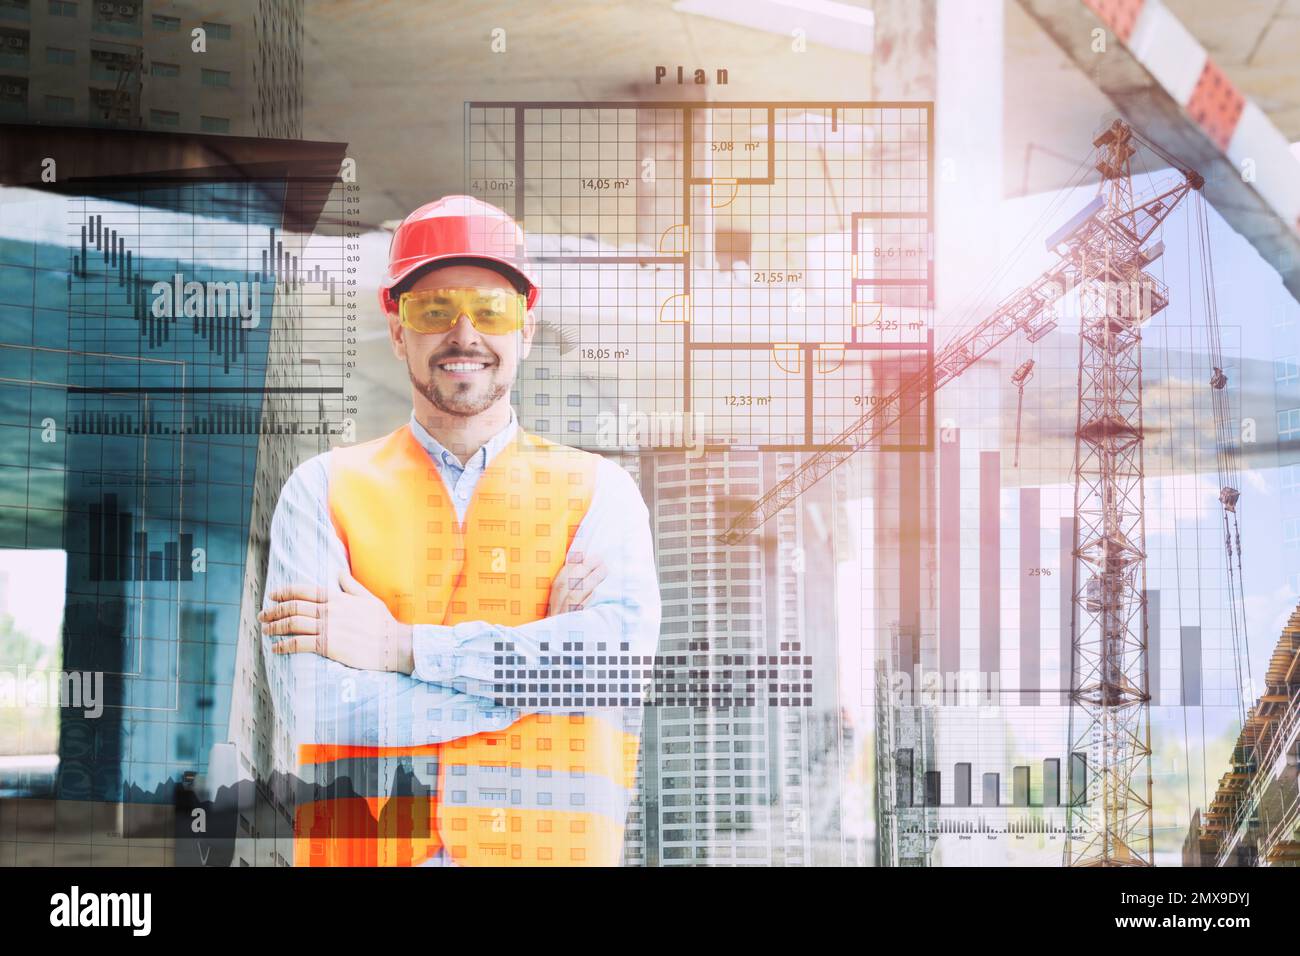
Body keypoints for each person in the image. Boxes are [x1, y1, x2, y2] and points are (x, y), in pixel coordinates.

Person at [257, 195, 660, 866]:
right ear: (397, 330)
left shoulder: (601, 494)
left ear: (525, 329)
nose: (463, 333)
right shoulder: (322, 493)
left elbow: (612, 668)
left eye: (491, 309)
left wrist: (403, 647)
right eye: (433, 310)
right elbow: (320, 706)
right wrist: (533, 683)